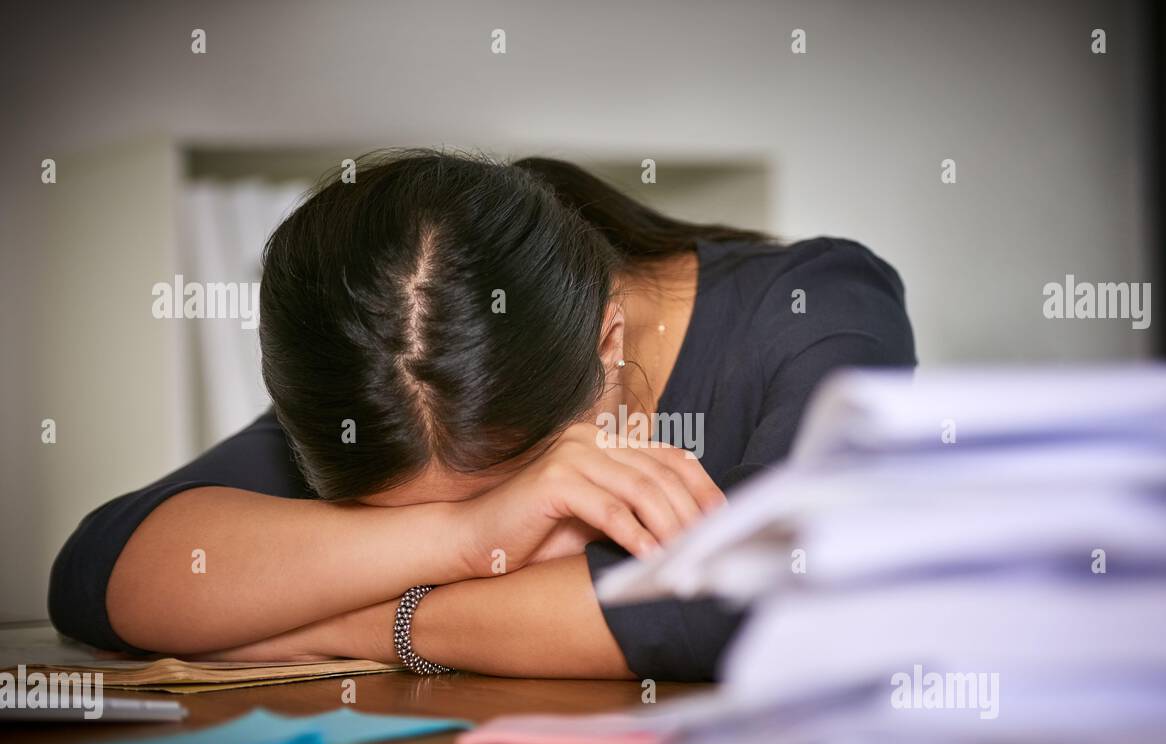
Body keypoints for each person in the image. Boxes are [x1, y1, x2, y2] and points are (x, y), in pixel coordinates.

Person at [48, 149, 915, 681]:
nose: (504, 539)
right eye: (413, 511)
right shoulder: (405, 373)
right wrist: (467, 535)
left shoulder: (819, 306)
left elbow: (767, 594)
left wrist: (367, 626)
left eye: (507, 485)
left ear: (607, 340)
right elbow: (99, 573)